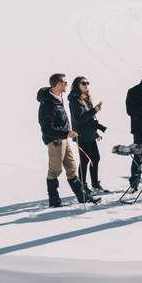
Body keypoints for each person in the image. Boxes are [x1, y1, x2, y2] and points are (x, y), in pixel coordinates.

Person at [37, 73, 99, 206]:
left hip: (64, 140)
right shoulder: (47, 104)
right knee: (54, 171)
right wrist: (66, 133)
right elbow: (46, 129)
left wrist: (67, 134)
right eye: (64, 82)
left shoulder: (58, 97)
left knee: (71, 168)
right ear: (57, 84)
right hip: (55, 142)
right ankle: (54, 200)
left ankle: (82, 196)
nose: (66, 84)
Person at [68, 76, 108, 194]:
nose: (86, 85)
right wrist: (95, 110)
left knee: (95, 158)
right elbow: (79, 119)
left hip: (89, 134)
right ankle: (82, 186)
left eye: (87, 83)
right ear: (77, 85)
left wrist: (95, 133)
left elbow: (89, 119)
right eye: (83, 83)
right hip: (81, 135)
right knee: (85, 160)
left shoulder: (85, 98)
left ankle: (95, 184)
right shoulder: (75, 100)